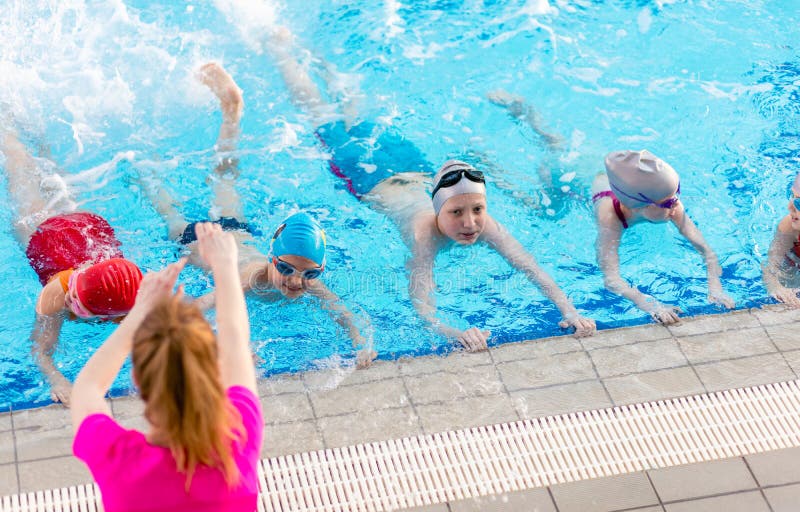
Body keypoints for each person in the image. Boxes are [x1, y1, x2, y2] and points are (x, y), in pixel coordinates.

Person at [265, 27, 596, 351]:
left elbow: (530, 266)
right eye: (456, 213)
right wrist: (451, 330)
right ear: (438, 209)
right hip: (364, 175)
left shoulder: (484, 224)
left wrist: (570, 311)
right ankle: (282, 51)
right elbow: (422, 301)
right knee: (318, 111)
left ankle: (320, 59)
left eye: (477, 210)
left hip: (411, 163)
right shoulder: (424, 234)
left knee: (357, 109)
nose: (470, 223)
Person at [139, 63, 376, 368]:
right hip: (195, 237)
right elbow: (204, 307)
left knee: (226, 175)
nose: (297, 281)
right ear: (271, 258)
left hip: (235, 228)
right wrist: (236, 346)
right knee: (166, 207)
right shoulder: (250, 278)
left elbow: (342, 312)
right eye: (287, 269)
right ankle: (142, 167)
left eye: (311, 274)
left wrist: (359, 343)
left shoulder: (305, 275)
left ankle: (231, 113)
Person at [71, 223, 262, 512]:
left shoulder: (118, 463)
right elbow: (235, 340)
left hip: (131, 505)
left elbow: (88, 388)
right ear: (213, 372)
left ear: (136, 378)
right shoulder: (238, 439)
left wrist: (139, 311)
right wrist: (226, 266)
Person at [0, 126, 143, 405]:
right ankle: (7, 135)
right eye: (73, 294)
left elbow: (179, 321)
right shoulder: (56, 292)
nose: (68, 298)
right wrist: (57, 378)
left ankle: (39, 137)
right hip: (46, 236)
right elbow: (40, 349)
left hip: (86, 227)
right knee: (21, 175)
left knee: (56, 179)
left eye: (76, 302)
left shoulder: (132, 297)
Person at [592, 149, 735, 324]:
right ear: (639, 207)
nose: (676, 203)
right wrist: (651, 305)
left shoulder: (669, 203)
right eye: (669, 202)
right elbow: (611, 279)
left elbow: (707, 252)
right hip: (583, 180)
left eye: (677, 193)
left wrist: (715, 287)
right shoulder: (609, 217)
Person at [762, 172, 800, 308]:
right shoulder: (789, 226)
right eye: (792, 198)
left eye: (799, 203)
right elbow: (771, 266)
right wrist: (776, 286)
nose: (790, 207)